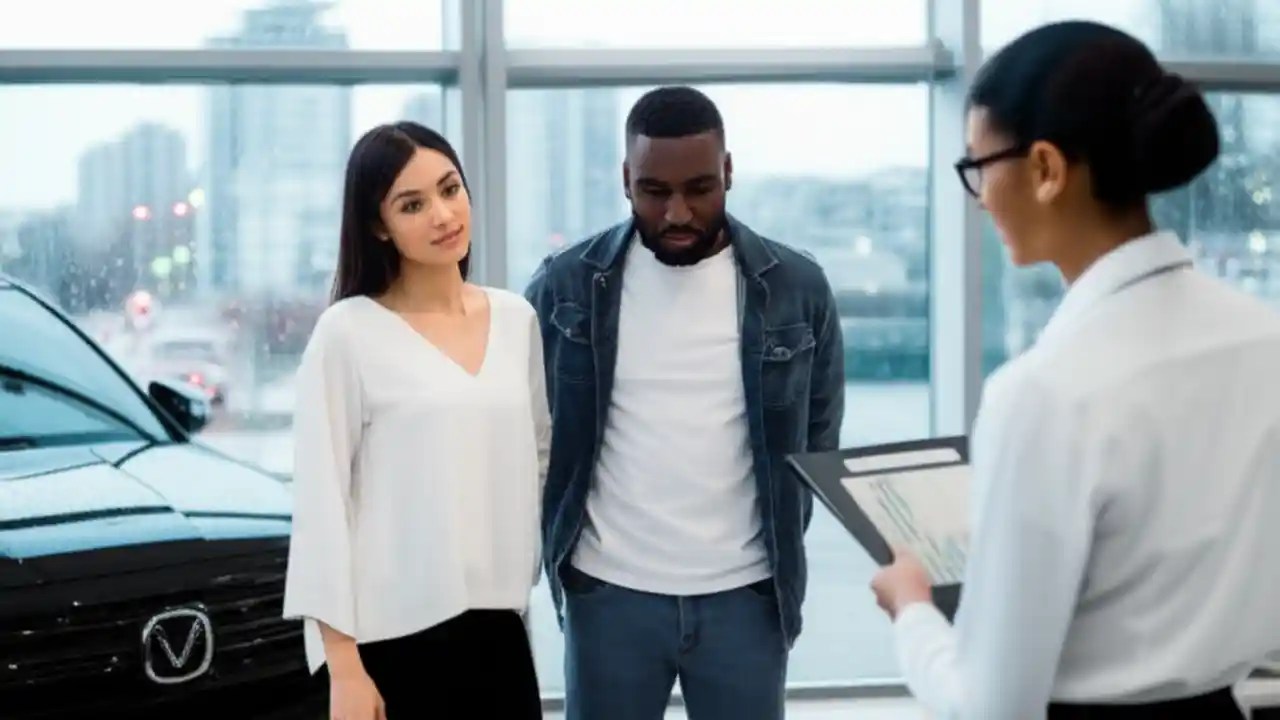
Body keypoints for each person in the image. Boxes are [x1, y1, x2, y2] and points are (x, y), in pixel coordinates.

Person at [870, 21, 1280, 720]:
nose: (980, 196)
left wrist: (911, 608)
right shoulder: (1264, 340)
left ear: (1046, 170)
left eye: (978, 166)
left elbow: (992, 707)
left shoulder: (1044, 392)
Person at [525, 85, 845, 720]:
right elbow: (531, 430)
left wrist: (771, 553)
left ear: (729, 172)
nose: (677, 213)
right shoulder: (565, 286)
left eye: (700, 189)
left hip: (747, 598)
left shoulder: (796, 287)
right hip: (607, 594)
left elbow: (818, 438)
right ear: (626, 180)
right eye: (654, 191)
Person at [282, 121, 548, 720]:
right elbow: (322, 506)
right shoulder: (347, 332)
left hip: (499, 634)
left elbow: (537, 457)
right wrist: (343, 666)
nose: (443, 215)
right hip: (388, 646)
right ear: (378, 225)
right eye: (412, 204)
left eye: (450, 189)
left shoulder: (516, 320)